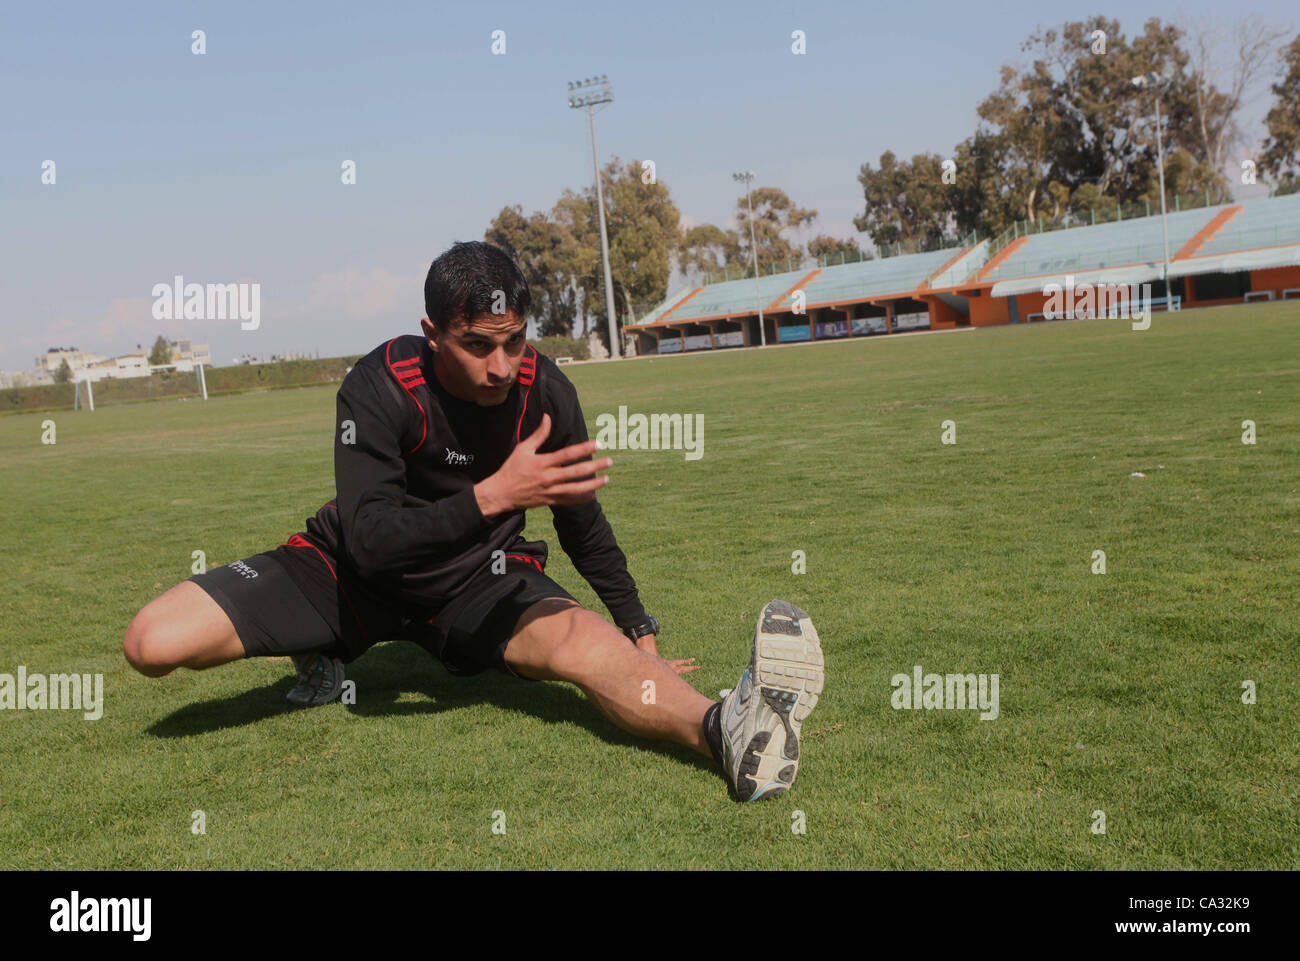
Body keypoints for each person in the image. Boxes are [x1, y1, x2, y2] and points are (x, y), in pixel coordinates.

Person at [123, 241, 824, 801]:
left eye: (515, 340)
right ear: (432, 332)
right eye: (478, 344)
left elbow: (581, 520)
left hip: (479, 577)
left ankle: (728, 726)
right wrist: (492, 495)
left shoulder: (544, 390)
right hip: (352, 573)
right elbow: (368, 539)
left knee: (582, 642)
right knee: (152, 641)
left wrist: (638, 631)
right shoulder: (379, 384)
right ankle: (326, 654)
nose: (501, 365)